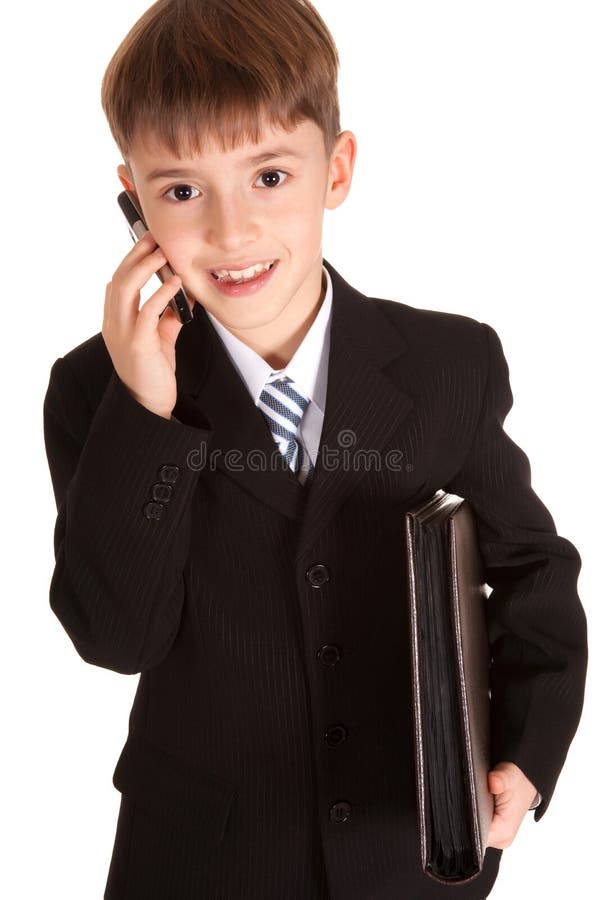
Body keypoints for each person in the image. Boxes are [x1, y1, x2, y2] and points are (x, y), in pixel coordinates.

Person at [42, 1, 587, 898]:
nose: (230, 231)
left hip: (409, 846)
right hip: (199, 862)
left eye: (268, 176)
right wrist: (149, 410)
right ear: (134, 202)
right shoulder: (96, 391)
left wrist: (527, 755)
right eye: (182, 191)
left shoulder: (450, 364)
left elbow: (534, 568)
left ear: (335, 170)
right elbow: (116, 637)